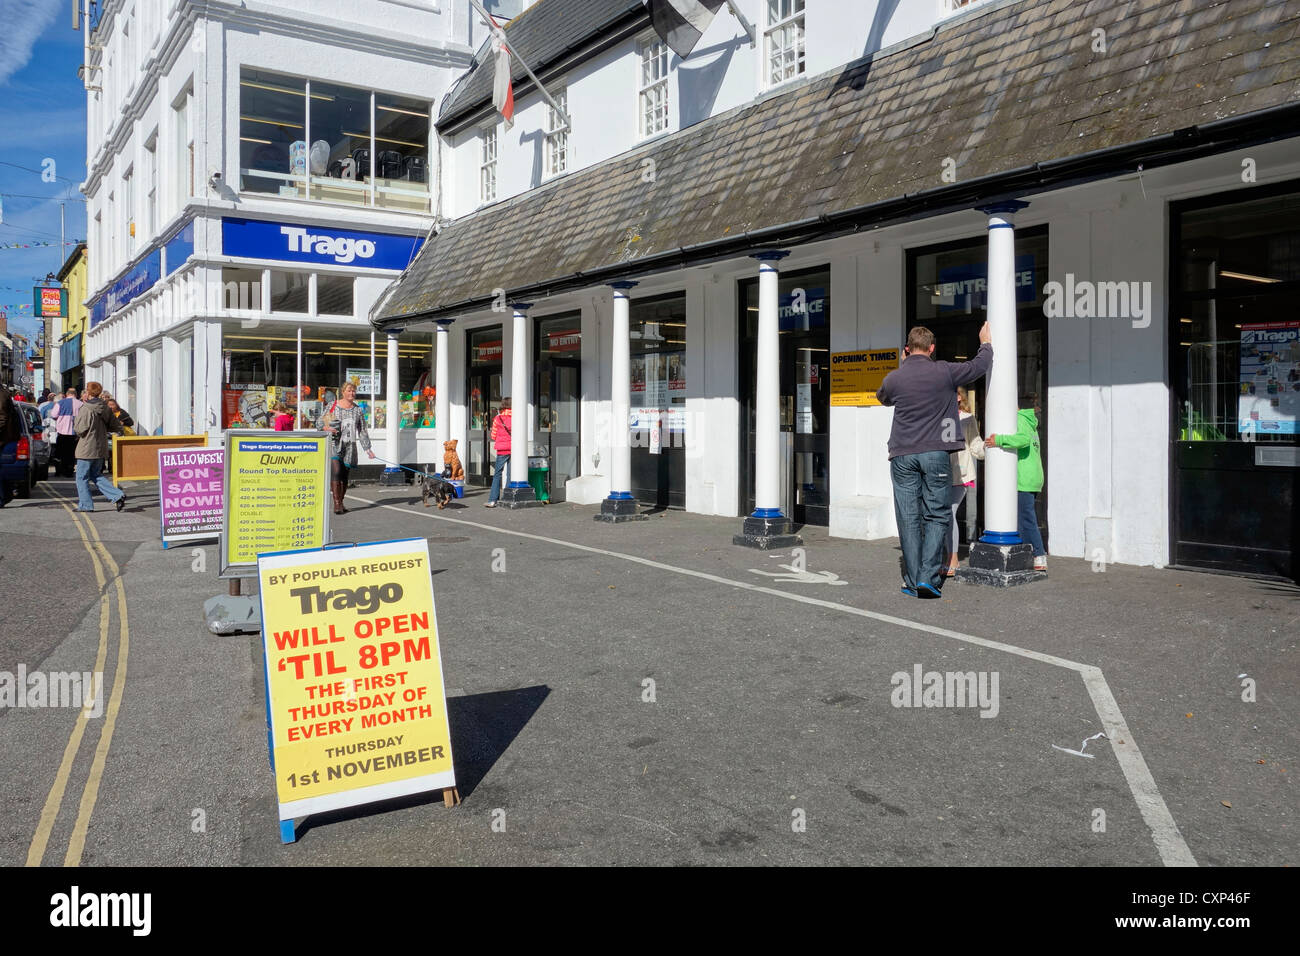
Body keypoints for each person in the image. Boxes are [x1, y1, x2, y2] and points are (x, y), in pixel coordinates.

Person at [877, 322, 993, 598]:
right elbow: (979, 366)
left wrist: (903, 367)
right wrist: (985, 342)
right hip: (935, 453)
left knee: (908, 517)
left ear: (906, 349)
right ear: (932, 348)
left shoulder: (894, 378)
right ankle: (927, 579)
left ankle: (912, 579)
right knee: (937, 513)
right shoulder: (944, 371)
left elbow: (884, 399)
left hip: (902, 454)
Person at [987, 393, 1047, 572]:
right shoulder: (1028, 420)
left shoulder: (1019, 419)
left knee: (1026, 518)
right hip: (1032, 476)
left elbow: (1023, 440)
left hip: (1024, 478)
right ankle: (1031, 554)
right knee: (1023, 518)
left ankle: (1039, 554)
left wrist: (999, 440)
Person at [317, 382, 374, 515]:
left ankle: (341, 501)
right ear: (343, 392)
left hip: (350, 446)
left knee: (344, 474)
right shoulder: (333, 406)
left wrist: (367, 449)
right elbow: (319, 422)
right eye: (349, 391)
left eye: (353, 391)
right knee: (336, 471)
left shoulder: (357, 410)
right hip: (334, 444)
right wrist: (327, 428)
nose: (351, 393)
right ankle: (336, 504)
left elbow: (362, 430)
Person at [946, 386, 985, 576]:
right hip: (938, 473)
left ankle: (953, 559)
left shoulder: (967, 419)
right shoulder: (935, 415)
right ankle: (942, 557)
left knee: (949, 513)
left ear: (960, 397)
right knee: (939, 516)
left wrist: (991, 450)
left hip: (960, 473)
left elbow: (975, 443)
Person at [72, 382, 126, 513]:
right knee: (96, 475)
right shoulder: (105, 408)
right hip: (100, 446)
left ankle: (86, 505)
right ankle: (117, 495)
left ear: (88, 393)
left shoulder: (86, 408)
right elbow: (116, 426)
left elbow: (80, 429)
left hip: (86, 448)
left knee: (82, 477)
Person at [485, 398, 512, 508]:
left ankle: (493, 500)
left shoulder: (497, 418)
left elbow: (493, 435)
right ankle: (508, 498)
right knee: (511, 474)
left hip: (502, 450)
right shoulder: (516, 417)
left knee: (497, 474)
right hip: (513, 449)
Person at [52, 387, 82, 478]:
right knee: (71, 453)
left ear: (67, 394)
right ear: (76, 394)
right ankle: (69, 471)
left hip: (62, 432)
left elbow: (53, 415)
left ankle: (59, 471)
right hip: (75, 433)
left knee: (60, 452)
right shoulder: (80, 404)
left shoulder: (60, 402)